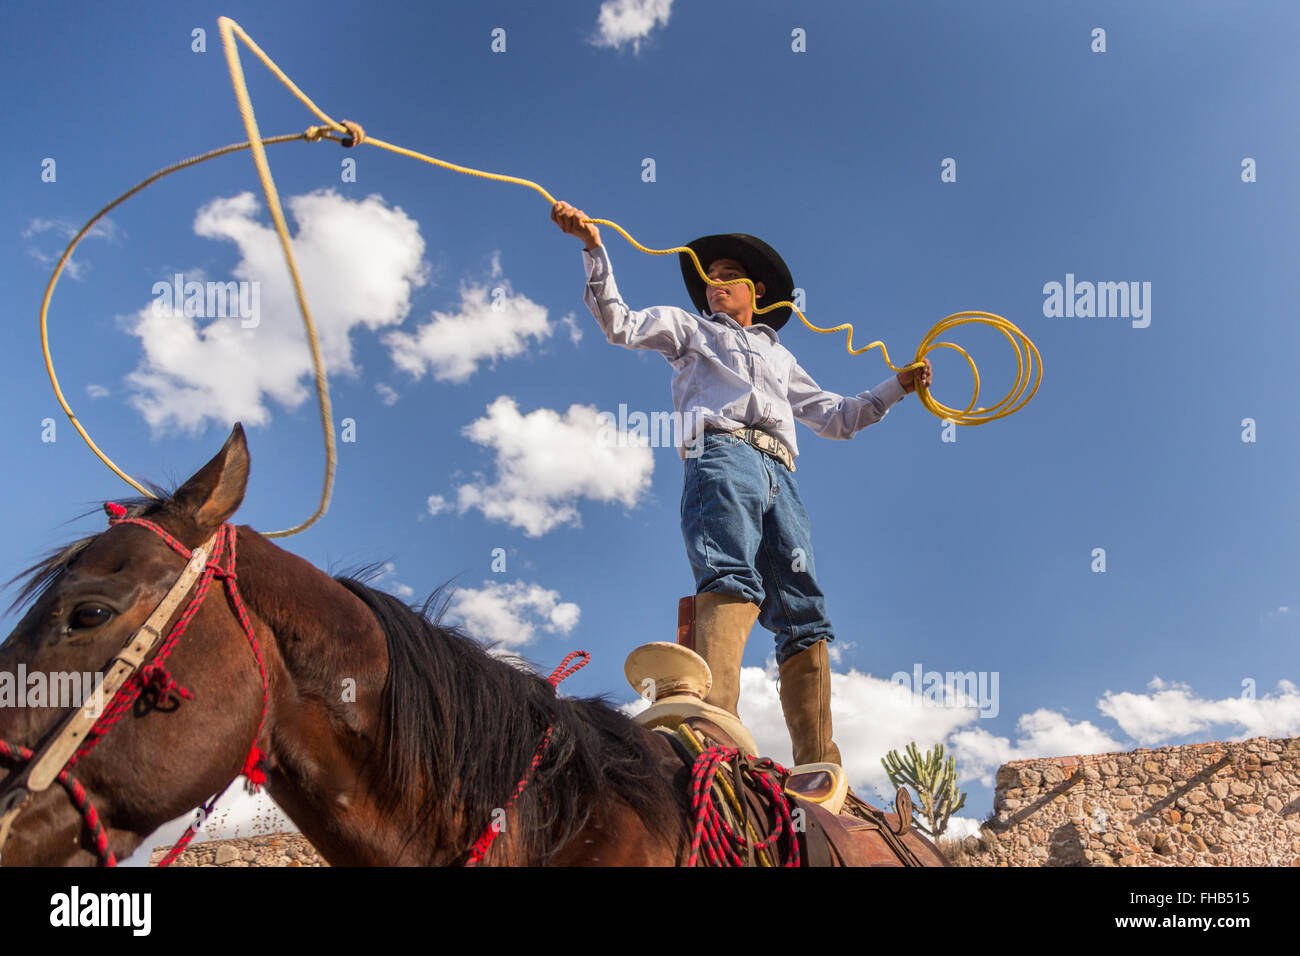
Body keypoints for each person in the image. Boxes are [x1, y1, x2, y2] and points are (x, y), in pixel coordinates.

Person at [551, 201, 931, 768]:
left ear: (757, 291)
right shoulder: (689, 330)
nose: (713, 285)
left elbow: (839, 417)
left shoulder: (782, 357)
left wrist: (897, 387)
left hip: (782, 472)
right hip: (721, 455)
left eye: (727, 277)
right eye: (709, 279)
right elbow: (619, 323)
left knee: (804, 608)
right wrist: (592, 248)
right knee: (729, 574)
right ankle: (715, 730)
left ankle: (820, 764)